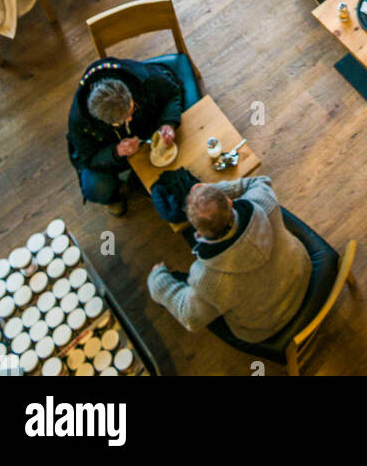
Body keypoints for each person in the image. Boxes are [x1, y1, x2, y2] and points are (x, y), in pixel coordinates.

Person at [147, 176, 312, 343]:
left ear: (200, 232)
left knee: (202, 300)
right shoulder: (263, 200)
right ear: (230, 201)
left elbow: (190, 317)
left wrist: (158, 279)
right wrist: (216, 190)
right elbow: (259, 181)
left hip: (267, 325)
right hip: (301, 272)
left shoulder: (208, 280)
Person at [66, 60, 184, 214]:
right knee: (96, 188)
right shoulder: (80, 122)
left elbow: (173, 93)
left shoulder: (143, 79)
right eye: (121, 121)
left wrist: (168, 122)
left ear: (128, 93)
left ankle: (139, 179)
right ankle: (113, 198)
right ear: (102, 121)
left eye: (132, 109)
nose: (129, 119)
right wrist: (115, 152)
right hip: (110, 149)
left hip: (149, 129)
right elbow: (88, 158)